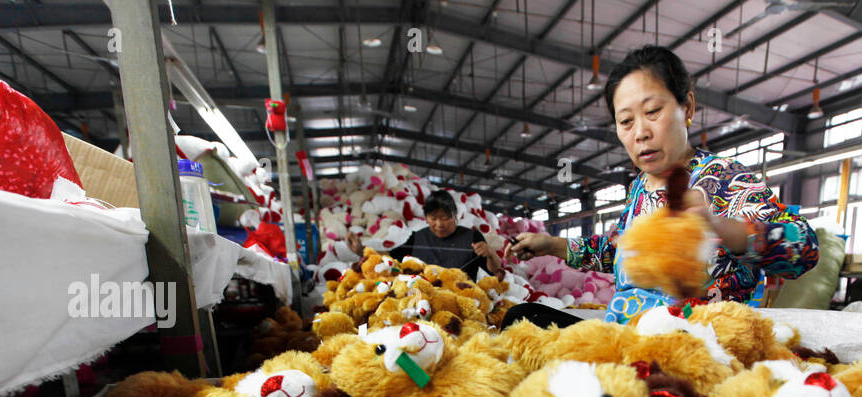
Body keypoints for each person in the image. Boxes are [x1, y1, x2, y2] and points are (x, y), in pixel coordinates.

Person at [508, 44, 819, 324]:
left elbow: (804, 248)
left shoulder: (724, 179)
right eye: (626, 121)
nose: (640, 132)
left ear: (688, 109)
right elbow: (620, 250)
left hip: (701, 341)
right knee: (523, 317)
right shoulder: (639, 190)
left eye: (653, 111)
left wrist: (717, 226)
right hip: (630, 332)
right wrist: (552, 246)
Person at [348, 189, 503, 281]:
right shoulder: (418, 237)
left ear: (455, 215)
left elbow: (495, 271)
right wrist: (361, 250)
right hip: (423, 302)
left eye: (445, 218)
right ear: (426, 218)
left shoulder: (472, 237)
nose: (439, 224)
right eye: (433, 218)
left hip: (461, 301)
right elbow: (390, 256)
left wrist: (490, 254)